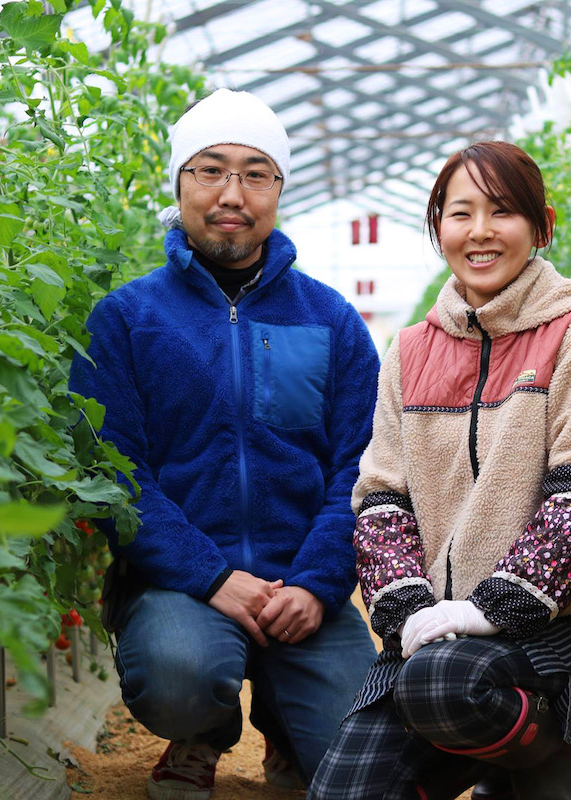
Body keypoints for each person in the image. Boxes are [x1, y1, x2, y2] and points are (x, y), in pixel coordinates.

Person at [69, 89, 380, 800]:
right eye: (210, 170)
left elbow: (362, 470)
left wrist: (317, 582)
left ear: (278, 189)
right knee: (180, 673)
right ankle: (201, 734)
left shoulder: (330, 320)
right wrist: (211, 576)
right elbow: (117, 476)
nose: (231, 194)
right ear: (178, 184)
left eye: (255, 172)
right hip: (182, 585)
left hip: (301, 583)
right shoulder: (127, 320)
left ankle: (285, 725)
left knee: (359, 754)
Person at [309, 141, 571, 800]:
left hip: (557, 627)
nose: (481, 231)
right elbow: (381, 500)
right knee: (341, 793)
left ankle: (536, 758)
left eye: (503, 212)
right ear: (438, 230)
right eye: (460, 213)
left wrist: (489, 608)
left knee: (443, 684)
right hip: (438, 639)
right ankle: (497, 760)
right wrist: (408, 614)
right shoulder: (410, 351)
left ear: (541, 226)